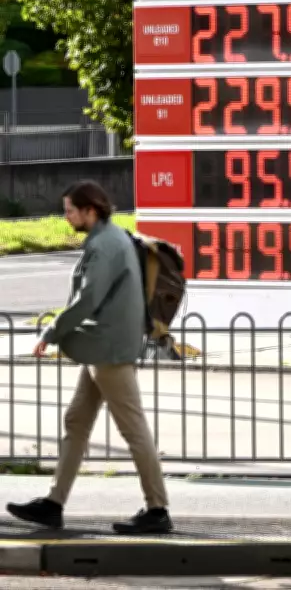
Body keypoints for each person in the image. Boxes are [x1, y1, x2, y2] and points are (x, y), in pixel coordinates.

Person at [6, 180, 173, 534]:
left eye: (70, 210)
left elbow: (87, 299)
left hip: (109, 350)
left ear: (89, 211)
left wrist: (51, 332)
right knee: (77, 423)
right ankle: (54, 504)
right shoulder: (112, 237)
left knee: (134, 430)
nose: (65, 217)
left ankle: (157, 510)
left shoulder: (105, 246)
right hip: (104, 346)